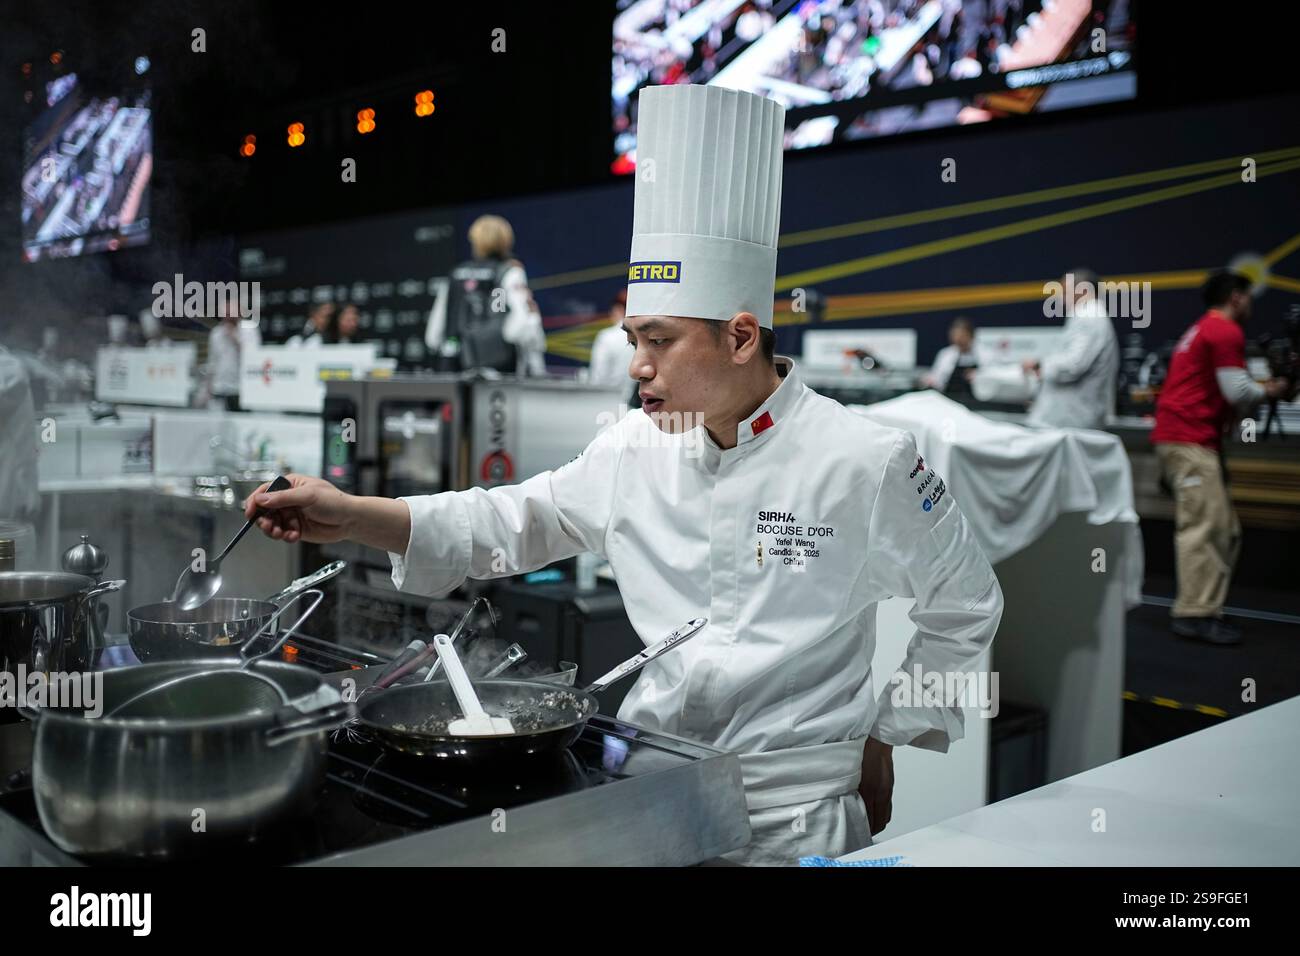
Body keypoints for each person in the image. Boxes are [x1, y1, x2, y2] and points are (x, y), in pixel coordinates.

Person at [243, 84, 1002, 866]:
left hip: (795, 816)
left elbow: (968, 601)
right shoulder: (635, 445)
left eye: (660, 341)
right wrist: (351, 514)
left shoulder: (865, 458)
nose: (637, 364)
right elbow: (510, 521)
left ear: (741, 336)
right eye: (633, 336)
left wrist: (890, 736)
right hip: (650, 793)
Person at [1149, 270, 1288, 645]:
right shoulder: (1224, 330)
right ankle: (1193, 615)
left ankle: (1204, 608)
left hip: (1189, 439)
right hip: (1188, 439)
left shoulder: (1202, 328)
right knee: (1203, 529)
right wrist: (1272, 389)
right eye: (1249, 297)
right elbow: (1235, 389)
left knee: (1223, 531)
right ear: (1237, 297)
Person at [426, 215, 546, 376]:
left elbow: (433, 336)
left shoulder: (456, 275)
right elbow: (517, 327)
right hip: (499, 374)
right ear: (506, 240)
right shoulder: (507, 273)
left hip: (456, 371)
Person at [1023, 268, 1120, 429]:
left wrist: (1039, 365)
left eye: (1064, 290)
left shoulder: (1089, 317)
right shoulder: (1087, 316)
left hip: (1072, 419)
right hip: (1070, 417)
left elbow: (1073, 365)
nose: (1060, 296)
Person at [206, 292, 261, 411]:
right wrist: (208, 388)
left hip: (241, 388)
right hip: (220, 386)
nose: (227, 318)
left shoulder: (250, 329)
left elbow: (254, 358)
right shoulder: (216, 333)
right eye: (225, 314)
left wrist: (235, 338)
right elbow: (212, 362)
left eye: (230, 314)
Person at [588, 289, 635, 388]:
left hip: (609, 399)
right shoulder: (645, 336)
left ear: (617, 309)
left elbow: (598, 376)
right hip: (639, 400)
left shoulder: (606, 337)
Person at [923, 316, 978, 397]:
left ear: (971, 335)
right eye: (955, 335)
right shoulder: (945, 354)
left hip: (976, 400)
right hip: (948, 398)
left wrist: (978, 376)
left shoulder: (984, 354)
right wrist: (930, 380)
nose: (958, 339)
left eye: (962, 336)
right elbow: (936, 377)